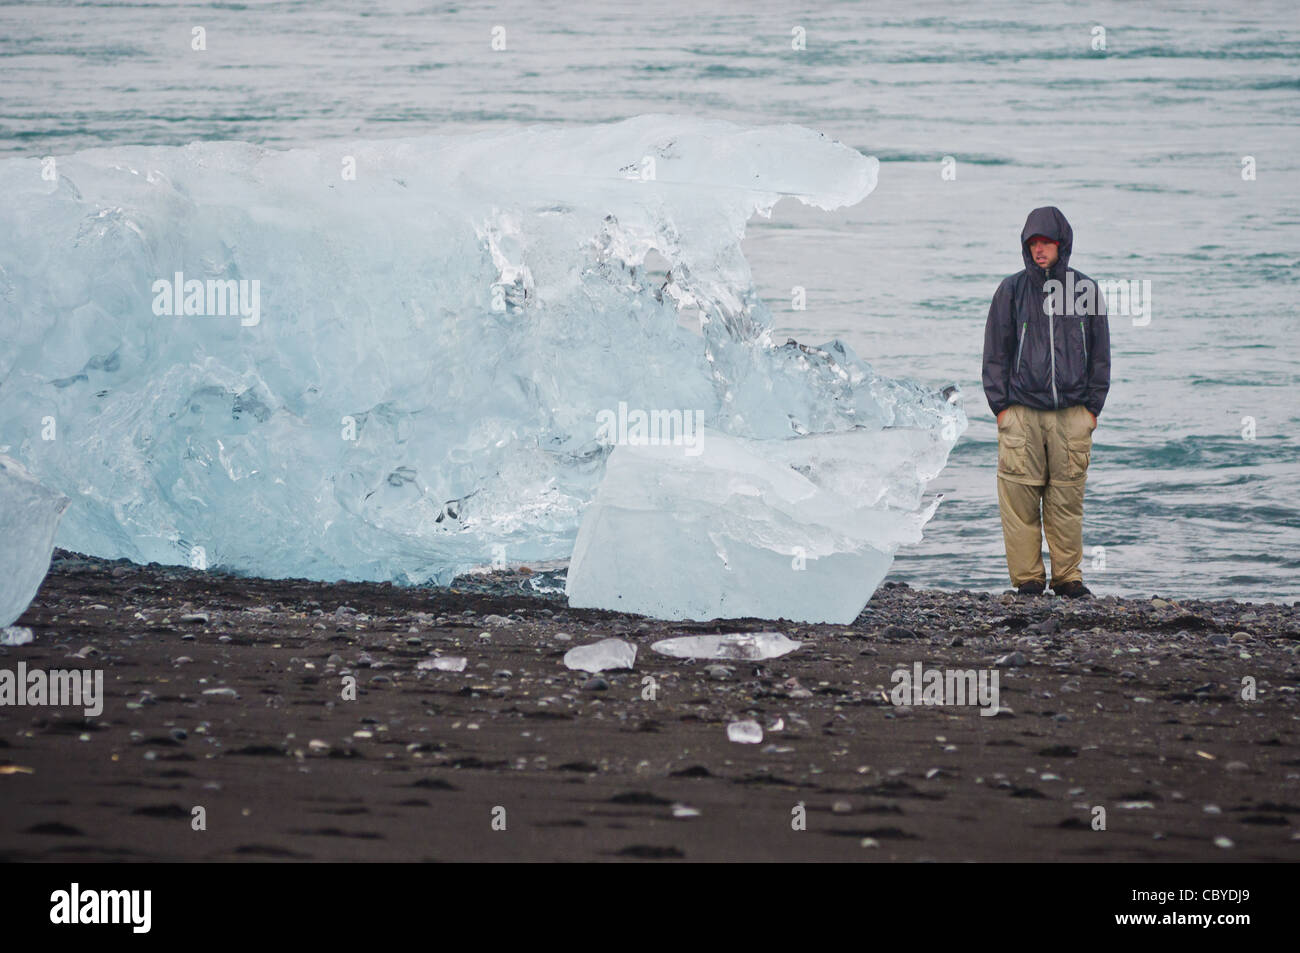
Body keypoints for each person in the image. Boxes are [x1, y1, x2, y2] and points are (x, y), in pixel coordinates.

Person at [982, 207, 1111, 598]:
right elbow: (995, 353)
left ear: (1062, 245)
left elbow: (1101, 354)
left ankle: (1068, 578)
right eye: (1033, 244)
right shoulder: (1012, 290)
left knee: (1066, 500)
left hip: (1072, 414)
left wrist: (1092, 409)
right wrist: (1001, 408)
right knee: (1019, 500)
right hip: (1021, 413)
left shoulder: (1084, 291)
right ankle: (1029, 580)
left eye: (1047, 243)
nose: (1040, 251)